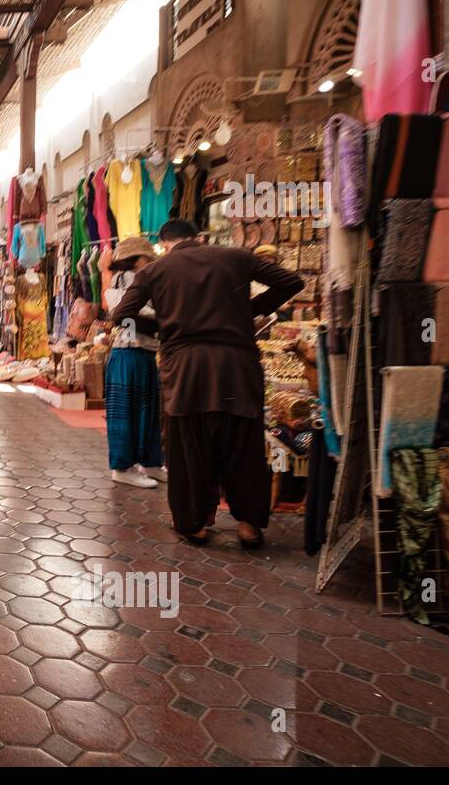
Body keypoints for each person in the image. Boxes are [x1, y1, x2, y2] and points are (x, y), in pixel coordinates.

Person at [112, 220, 303, 547]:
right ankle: (248, 526)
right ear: (199, 238)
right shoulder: (237, 256)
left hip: (186, 370)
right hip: (237, 366)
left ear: (166, 244)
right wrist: (249, 310)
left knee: (189, 448)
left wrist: (164, 326)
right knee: (243, 446)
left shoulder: (155, 270)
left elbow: (121, 315)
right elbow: (292, 281)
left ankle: (194, 524)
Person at [103, 237, 165, 488]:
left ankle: (149, 463)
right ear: (139, 259)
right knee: (127, 413)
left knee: (148, 411)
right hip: (130, 352)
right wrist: (162, 319)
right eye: (148, 258)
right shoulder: (128, 279)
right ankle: (122, 467)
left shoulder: (134, 279)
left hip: (141, 352)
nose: (150, 262)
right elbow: (124, 317)